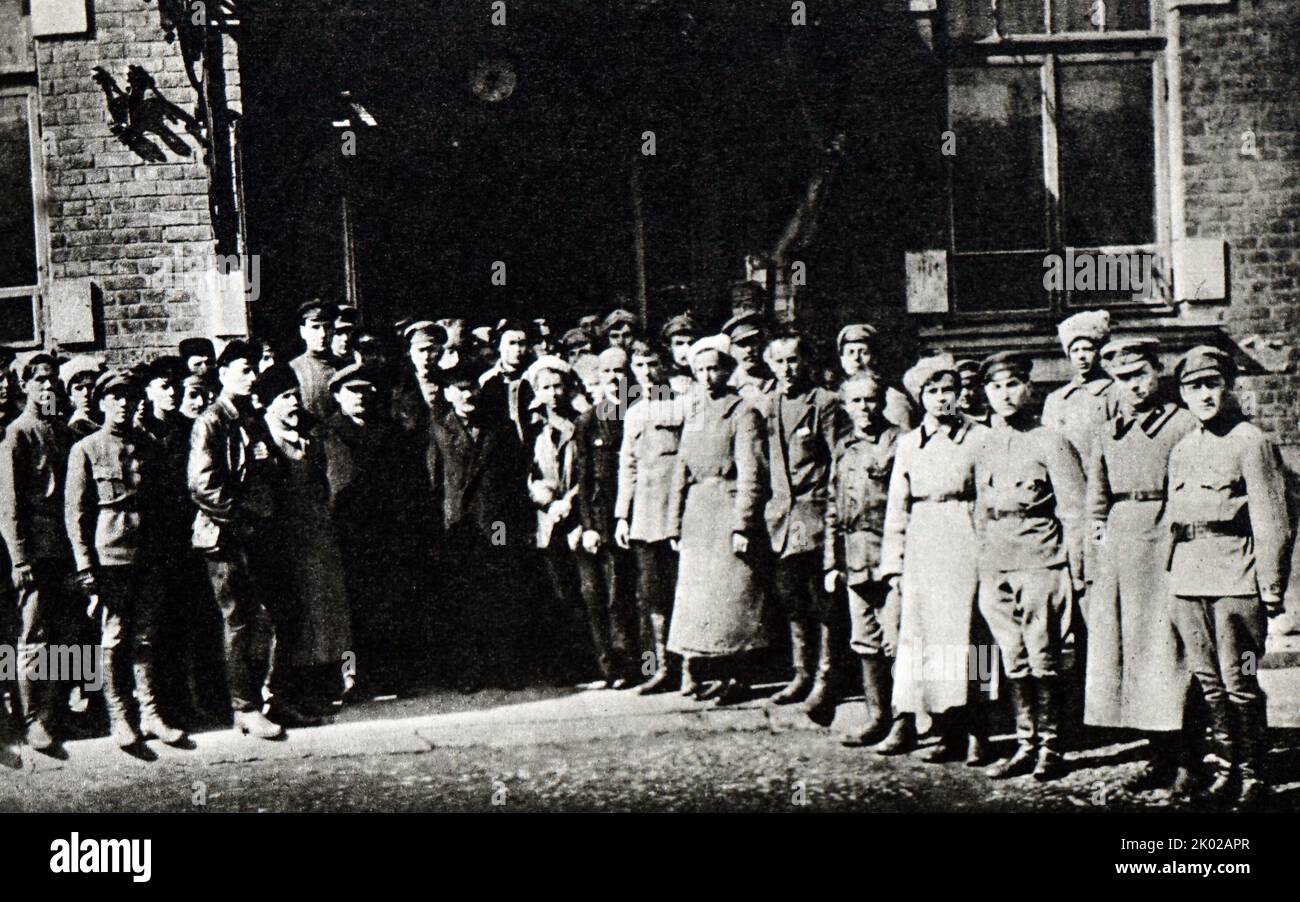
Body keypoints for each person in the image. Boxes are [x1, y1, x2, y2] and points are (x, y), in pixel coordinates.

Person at [1166, 346, 1292, 807]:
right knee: (1208, 681)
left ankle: (1252, 772)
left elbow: (1273, 518)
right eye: (1193, 387)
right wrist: (1168, 579)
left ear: (1228, 386)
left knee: (1240, 679)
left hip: (1236, 583)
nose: (1203, 394)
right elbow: (1171, 521)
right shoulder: (1182, 449)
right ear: (1182, 394)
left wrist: (1271, 587)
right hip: (1187, 582)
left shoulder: (1251, 442)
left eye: (1211, 384)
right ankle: (1224, 766)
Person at [1083, 338, 1199, 794]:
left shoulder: (1184, 424)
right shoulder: (1107, 429)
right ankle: (1158, 753)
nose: (1131, 387)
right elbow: (1096, 497)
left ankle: (1189, 757)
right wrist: (1096, 538)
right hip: (1120, 551)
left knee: (1172, 654)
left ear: (1157, 370)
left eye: (1138, 375)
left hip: (1166, 546)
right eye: (1121, 379)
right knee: (1133, 655)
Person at [975, 351, 1086, 781]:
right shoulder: (984, 444)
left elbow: (1074, 513)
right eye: (995, 386)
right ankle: (1025, 743)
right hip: (997, 563)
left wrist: (1076, 574)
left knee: (1045, 656)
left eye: (1012, 384)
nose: (1004, 394)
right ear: (985, 393)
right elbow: (980, 510)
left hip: (1041, 560)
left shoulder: (1050, 442)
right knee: (1012, 657)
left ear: (1029, 388)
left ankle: (1052, 746)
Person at [877, 354, 992, 763]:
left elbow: (988, 497)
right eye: (933, 392)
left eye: (949, 391)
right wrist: (894, 566)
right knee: (923, 639)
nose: (943, 399)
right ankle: (939, 728)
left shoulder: (980, 437)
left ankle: (979, 728)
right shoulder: (909, 444)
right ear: (920, 397)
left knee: (971, 639)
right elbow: (897, 508)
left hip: (966, 538)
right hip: (924, 543)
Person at [65, 369, 187, 749]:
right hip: (111, 558)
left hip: (149, 555)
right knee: (114, 639)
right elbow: (77, 514)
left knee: (146, 638)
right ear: (102, 403)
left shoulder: (149, 444)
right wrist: (86, 566)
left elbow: (166, 503)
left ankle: (150, 714)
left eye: (129, 397)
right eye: (114, 397)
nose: (122, 403)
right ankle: (120, 717)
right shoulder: (85, 449)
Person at [666, 335, 771, 705]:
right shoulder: (692, 412)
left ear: (727, 370)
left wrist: (743, 523)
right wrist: (674, 521)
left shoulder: (743, 412)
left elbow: (751, 472)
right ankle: (704, 672)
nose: (708, 376)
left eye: (715, 369)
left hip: (726, 509)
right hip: (697, 512)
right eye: (701, 370)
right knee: (698, 598)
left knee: (732, 597)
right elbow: (681, 467)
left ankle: (738, 677)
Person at [188, 340, 284, 740]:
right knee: (238, 622)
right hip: (226, 539)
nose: (252, 375)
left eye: (253, 368)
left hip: (257, 534)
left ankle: (268, 699)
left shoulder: (252, 417)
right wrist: (241, 519)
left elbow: (266, 470)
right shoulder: (212, 421)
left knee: (266, 618)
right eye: (243, 369)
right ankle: (244, 709)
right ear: (223, 374)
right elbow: (201, 483)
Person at [427, 358, 533, 691]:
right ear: (447, 393)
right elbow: (432, 483)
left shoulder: (498, 428)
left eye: (471, 387)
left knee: (501, 593)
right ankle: (468, 670)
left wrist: (517, 523)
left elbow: (516, 478)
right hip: (459, 525)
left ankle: (505, 666)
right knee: (462, 597)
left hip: (496, 523)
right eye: (459, 389)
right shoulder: (438, 430)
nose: (467, 395)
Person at [255, 363, 352, 720]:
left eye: (294, 395)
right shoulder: (261, 442)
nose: (293, 403)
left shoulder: (310, 438)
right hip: (282, 545)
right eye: (283, 398)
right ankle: (279, 693)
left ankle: (315, 687)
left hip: (317, 539)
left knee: (321, 617)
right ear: (267, 405)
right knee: (289, 622)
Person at [762, 332, 841, 724]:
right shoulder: (767, 404)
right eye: (779, 362)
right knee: (792, 599)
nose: (787, 370)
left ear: (805, 361)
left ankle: (827, 677)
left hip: (815, 517)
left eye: (793, 361)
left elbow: (837, 463)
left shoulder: (824, 403)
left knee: (821, 602)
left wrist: (829, 513)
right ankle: (801, 672)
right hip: (781, 520)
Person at [0, 354, 76, 752]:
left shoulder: (61, 431)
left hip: (64, 548)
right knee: (34, 636)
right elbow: (8, 505)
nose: (49, 388)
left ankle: (55, 711)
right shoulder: (18, 434)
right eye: (40, 381)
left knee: (65, 632)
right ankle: (33, 720)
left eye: (53, 381)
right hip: (36, 550)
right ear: (25, 385)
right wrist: (20, 558)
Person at [825, 371, 901, 747]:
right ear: (845, 406)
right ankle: (877, 716)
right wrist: (831, 562)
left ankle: (906, 721)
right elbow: (832, 506)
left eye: (870, 399)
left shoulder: (900, 442)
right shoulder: (843, 447)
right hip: (854, 558)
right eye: (856, 401)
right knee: (865, 639)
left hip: (889, 557)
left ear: (882, 401)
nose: (864, 407)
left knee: (898, 640)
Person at [322, 361, 406, 696]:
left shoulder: (388, 432)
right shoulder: (326, 434)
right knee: (346, 609)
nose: (360, 398)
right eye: (351, 392)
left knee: (382, 603)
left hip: (383, 531)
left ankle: (383, 672)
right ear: (337, 396)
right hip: (344, 532)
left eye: (365, 391)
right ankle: (348, 677)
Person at [615, 342, 686, 694]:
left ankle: (693, 669)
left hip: (680, 511)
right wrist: (622, 516)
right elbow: (627, 465)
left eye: (652, 364)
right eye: (639, 365)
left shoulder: (684, 404)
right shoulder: (634, 412)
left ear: (664, 366)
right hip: (645, 514)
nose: (646, 371)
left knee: (685, 591)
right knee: (653, 593)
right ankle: (663, 668)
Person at [574, 347, 639, 688]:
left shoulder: (640, 413)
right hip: (601, 519)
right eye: (608, 372)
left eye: (621, 370)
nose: (615, 378)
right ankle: (610, 667)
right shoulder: (588, 421)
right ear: (598, 377)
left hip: (636, 515)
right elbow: (583, 478)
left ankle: (633, 664)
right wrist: (587, 526)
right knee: (599, 594)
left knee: (627, 594)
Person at [1041, 311, 1117, 464]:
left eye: (1088, 349)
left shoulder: (1114, 392)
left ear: (1099, 353)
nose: (1081, 356)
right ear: (1069, 356)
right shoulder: (1056, 399)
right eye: (1075, 350)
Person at [835, 324, 916, 431]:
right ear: (842, 359)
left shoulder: (893, 399)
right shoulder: (836, 397)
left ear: (875, 358)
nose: (856, 358)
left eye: (864, 353)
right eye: (850, 352)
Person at [479, 319, 536, 446]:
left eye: (521, 344)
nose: (517, 349)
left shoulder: (534, 376)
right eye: (511, 343)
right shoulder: (486, 379)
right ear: (499, 346)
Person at [289, 298, 341, 420]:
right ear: (303, 332)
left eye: (327, 327)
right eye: (315, 327)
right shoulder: (293, 369)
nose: (322, 334)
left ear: (333, 330)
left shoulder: (345, 365)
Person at [721, 312, 773, 411]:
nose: (749, 350)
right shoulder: (729, 386)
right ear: (732, 350)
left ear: (762, 344)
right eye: (742, 344)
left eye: (753, 342)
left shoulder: (778, 377)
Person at [61, 356, 103, 440]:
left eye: (90, 386)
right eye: (79, 389)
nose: (85, 393)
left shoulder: (102, 419)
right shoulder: (75, 429)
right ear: (70, 395)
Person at [660, 313, 700, 397]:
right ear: (669, 347)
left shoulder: (703, 373)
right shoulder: (662, 377)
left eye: (691, 343)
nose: (686, 349)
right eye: (679, 343)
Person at [956, 359, 992, 427]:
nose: (964, 393)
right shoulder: (953, 421)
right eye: (959, 388)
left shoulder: (995, 416)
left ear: (981, 387)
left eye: (970, 386)